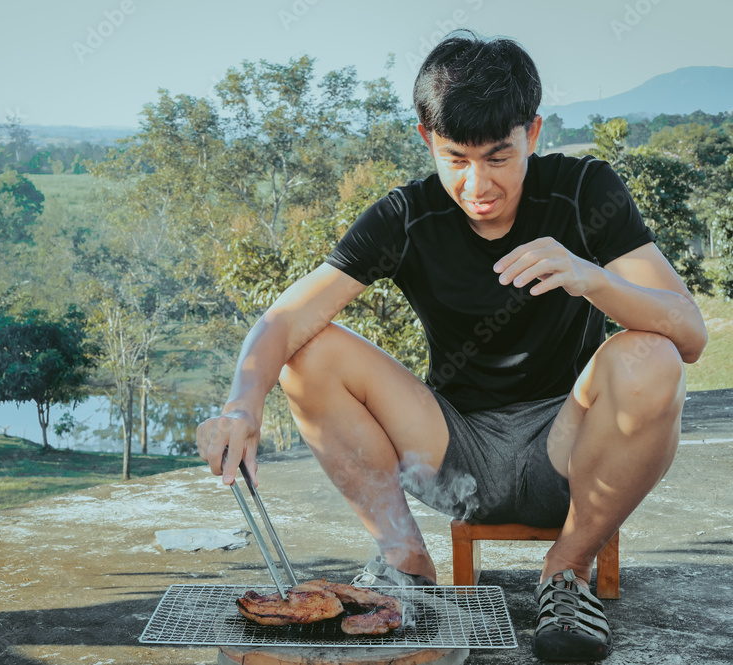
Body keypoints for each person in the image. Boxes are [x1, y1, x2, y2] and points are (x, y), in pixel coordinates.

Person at [196, 29, 708, 662]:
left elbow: (689, 333)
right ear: (426, 140)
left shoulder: (584, 191)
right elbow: (283, 319)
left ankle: (567, 574)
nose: (478, 185)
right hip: (452, 451)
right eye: (455, 159)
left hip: (573, 450)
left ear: (534, 134)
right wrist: (242, 408)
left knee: (650, 356)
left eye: (499, 156)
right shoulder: (407, 215)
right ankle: (405, 563)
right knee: (310, 352)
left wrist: (593, 277)